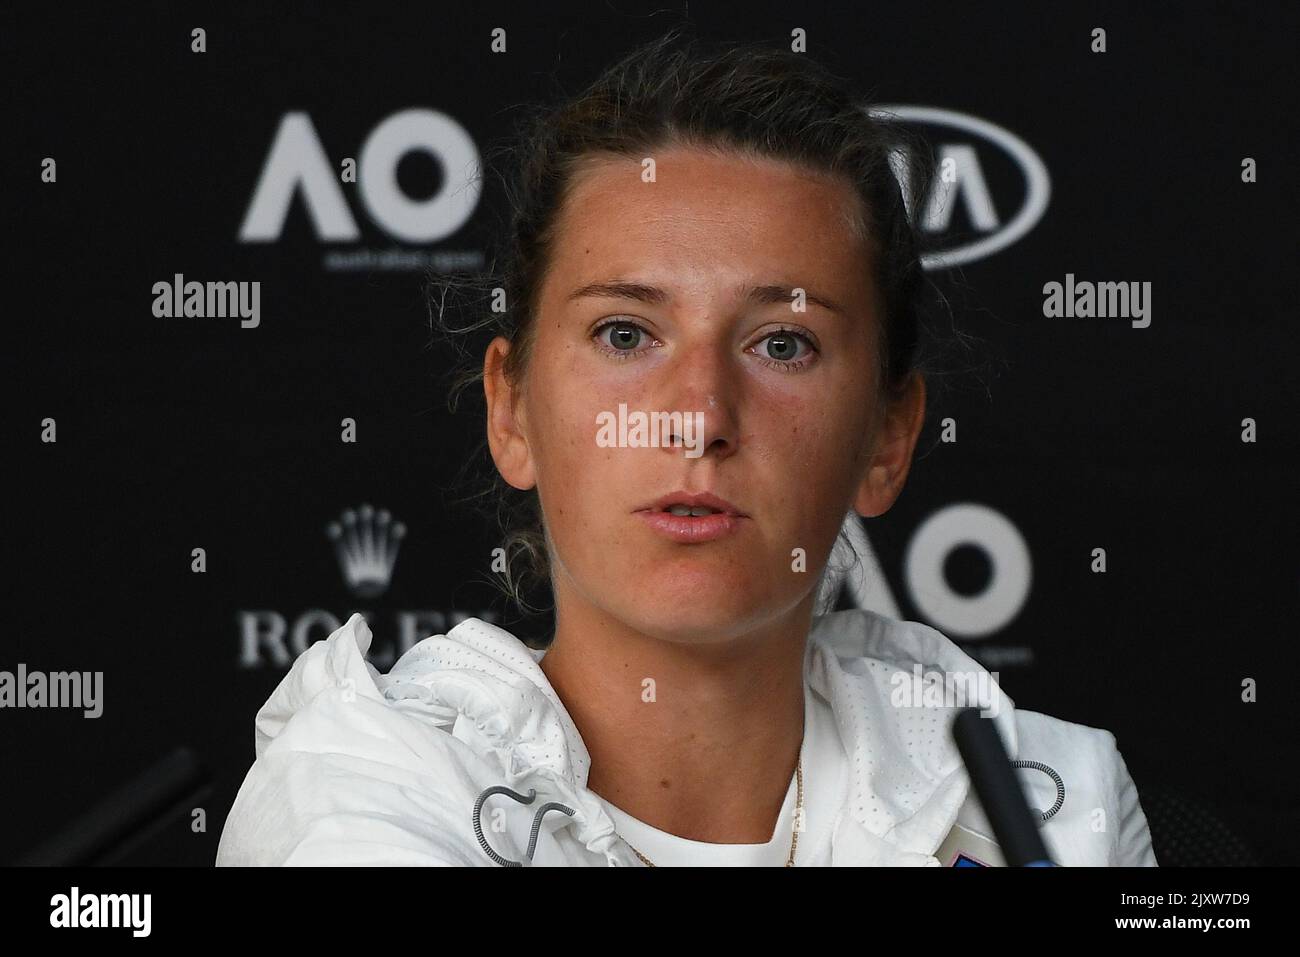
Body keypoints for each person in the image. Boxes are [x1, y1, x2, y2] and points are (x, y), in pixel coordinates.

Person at [217, 30, 1157, 867]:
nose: (698, 418)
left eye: (781, 344)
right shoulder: (362, 796)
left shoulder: (1058, 806)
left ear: (887, 437)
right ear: (511, 410)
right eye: (626, 334)